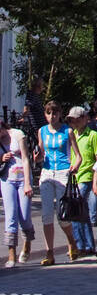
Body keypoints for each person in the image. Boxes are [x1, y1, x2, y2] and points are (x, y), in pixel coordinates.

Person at [37, 100, 80, 266]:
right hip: (47, 172)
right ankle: (50, 252)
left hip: (63, 172)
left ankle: (71, 240)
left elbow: (78, 155)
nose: (52, 116)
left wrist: (74, 166)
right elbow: (41, 153)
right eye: (48, 113)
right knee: (46, 214)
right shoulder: (42, 131)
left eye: (54, 113)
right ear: (45, 114)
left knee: (62, 215)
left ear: (60, 114)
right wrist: (37, 157)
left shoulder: (67, 131)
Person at [68, 106, 97, 254]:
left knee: (76, 210)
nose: (75, 122)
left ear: (85, 119)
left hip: (87, 175)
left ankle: (82, 245)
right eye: (72, 120)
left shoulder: (93, 135)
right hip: (74, 177)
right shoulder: (72, 134)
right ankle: (87, 245)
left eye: (77, 119)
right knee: (80, 213)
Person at [0, 115, 34, 267]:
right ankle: (11, 254)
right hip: (7, 180)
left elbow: (26, 158)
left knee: (25, 215)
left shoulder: (17, 134)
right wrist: (1, 158)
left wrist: (27, 183)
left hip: (22, 178)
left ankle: (27, 242)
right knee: (10, 216)